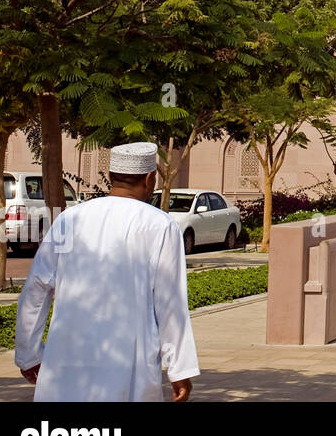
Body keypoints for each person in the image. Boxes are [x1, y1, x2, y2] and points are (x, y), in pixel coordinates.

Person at [15, 141, 199, 402]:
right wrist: (179, 369)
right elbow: (170, 303)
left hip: (67, 360)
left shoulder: (70, 218)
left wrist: (29, 354)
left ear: (111, 177)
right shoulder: (160, 225)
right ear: (149, 179)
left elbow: (37, 288)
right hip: (128, 364)